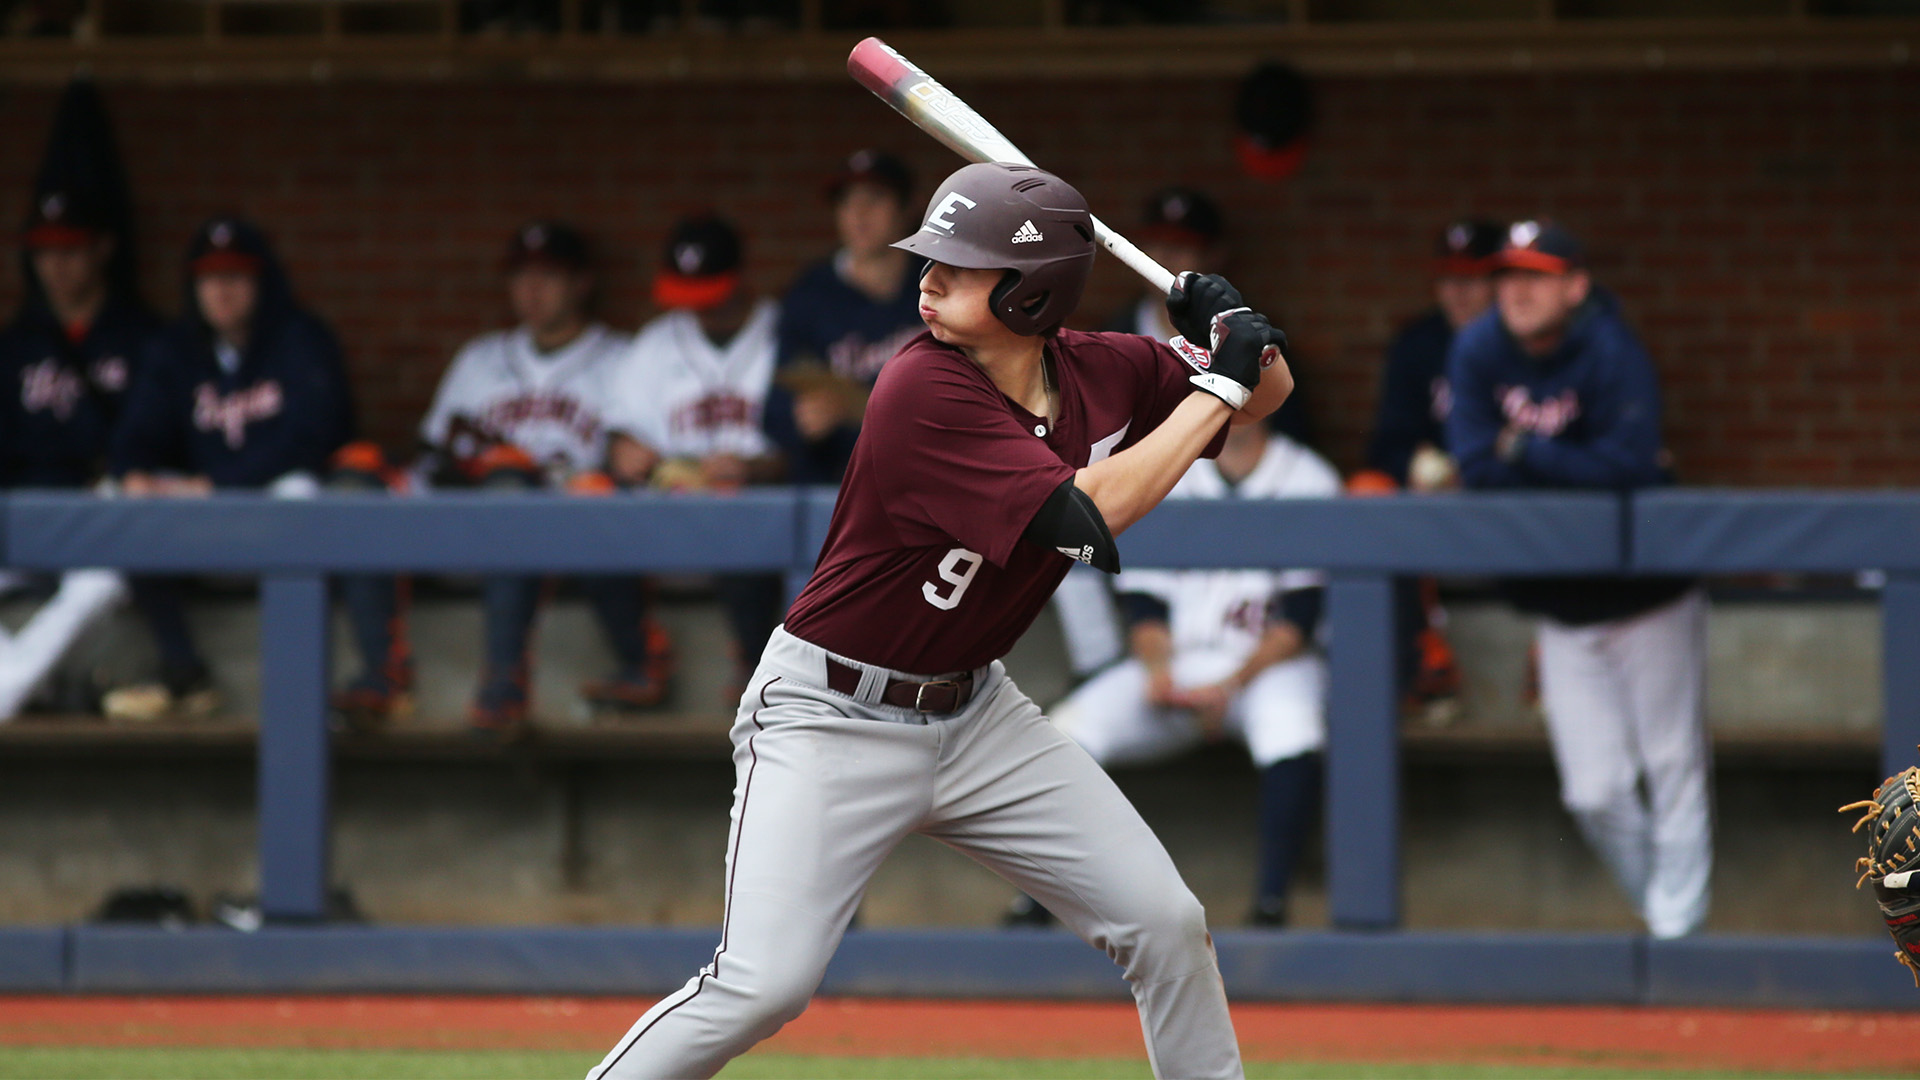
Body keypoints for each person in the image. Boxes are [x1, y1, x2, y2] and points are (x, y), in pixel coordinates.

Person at [589, 162, 1291, 1080]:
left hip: (977, 716)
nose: (929, 277)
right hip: (830, 711)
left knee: (1166, 924)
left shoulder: (1104, 368)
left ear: (1034, 292)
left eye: (963, 264)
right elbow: (1087, 516)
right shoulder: (920, 388)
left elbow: (1264, 395)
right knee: (762, 986)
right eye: (933, 257)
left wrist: (1238, 340)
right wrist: (1220, 385)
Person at [1447, 219, 1709, 940]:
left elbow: (1628, 467)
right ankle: (1663, 910)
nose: (1516, 292)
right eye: (1507, 277)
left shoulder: (1611, 347)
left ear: (1575, 286)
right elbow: (1475, 464)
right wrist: (1553, 461)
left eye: (1535, 277)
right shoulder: (1478, 349)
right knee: (1593, 792)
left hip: (1648, 594)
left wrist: (1525, 448)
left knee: (1672, 766)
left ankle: (1676, 936)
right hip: (1561, 606)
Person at [1043, 418, 1340, 930]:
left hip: (1268, 667)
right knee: (1065, 733)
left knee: (1292, 726)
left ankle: (1271, 905)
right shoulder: (1171, 470)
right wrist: (1157, 670)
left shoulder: (1309, 476)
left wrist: (1230, 686)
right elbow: (1144, 607)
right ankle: (1039, 902)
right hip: (1177, 662)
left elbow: (1299, 621)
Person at [388, 221, 669, 735]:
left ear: (581, 283)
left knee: (541, 493)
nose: (531, 290)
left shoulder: (621, 358)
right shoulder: (480, 359)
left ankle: (516, 679)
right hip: (483, 527)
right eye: (521, 276)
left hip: (578, 535)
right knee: (485, 487)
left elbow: (640, 459)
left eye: (549, 276)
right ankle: (390, 673)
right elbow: (431, 457)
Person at [106, 216, 354, 721]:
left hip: (267, 521)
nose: (221, 291)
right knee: (117, 496)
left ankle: (298, 689)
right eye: (209, 278)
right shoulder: (174, 349)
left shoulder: (299, 339)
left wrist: (216, 485)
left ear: (262, 282)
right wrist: (135, 472)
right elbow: (135, 436)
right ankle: (183, 670)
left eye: (236, 278)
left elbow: (312, 439)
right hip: (203, 525)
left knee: (302, 491)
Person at [606, 214, 785, 686]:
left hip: (754, 518)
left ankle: (757, 670)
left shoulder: (785, 332)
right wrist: (623, 451)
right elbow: (619, 435)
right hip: (669, 513)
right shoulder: (656, 343)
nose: (698, 309)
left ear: (741, 278)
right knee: (594, 519)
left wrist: (757, 467)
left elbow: (814, 451)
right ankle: (639, 659)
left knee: (741, 517)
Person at [0, 189, 156, 718]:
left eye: (70, 249)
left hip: (100, 517)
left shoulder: (142, 339)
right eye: (44, 251)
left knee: (98, 586)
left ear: (103, 249)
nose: (56, 265)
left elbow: (154, 442)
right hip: (24, 519)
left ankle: (10, 690)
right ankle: (20, 686)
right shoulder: (18, 344)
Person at [1352, 219, 1506, 724]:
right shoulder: (1420, 344)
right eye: (1448, 278)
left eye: (1474, 278)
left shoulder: (1526, 341)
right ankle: (1423, 649)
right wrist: (1417, 466)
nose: (1459, 292)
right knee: (1367, 492)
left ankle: (1544, 653)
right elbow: (1385, 447)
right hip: (1434, 509)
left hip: (1510, 505)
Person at [762, 149, 925, 485]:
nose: (859, 214)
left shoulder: (936, 284)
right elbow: (774, 413)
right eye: (847, 202)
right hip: (839, 486)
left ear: (906, 207)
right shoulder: (811, 294)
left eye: (875, 199)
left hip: (926, 480)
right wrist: (805, 419)